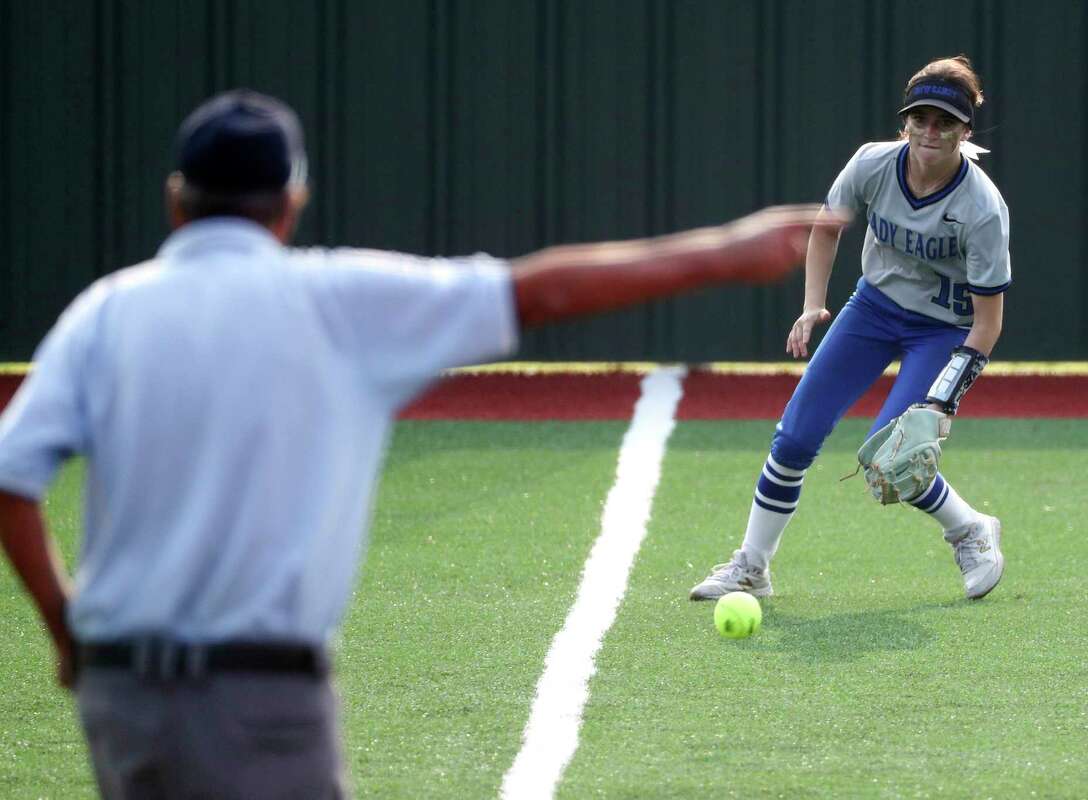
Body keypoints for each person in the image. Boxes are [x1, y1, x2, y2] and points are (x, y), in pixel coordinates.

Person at [0, 89, 833, 798]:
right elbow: (541, 292)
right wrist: (726, 253)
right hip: (260, 696)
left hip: (118, 696)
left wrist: (66, 628)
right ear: (292, 203)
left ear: (176, 200)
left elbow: (10, 476)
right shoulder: (336, 298)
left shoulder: (105, 311)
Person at [689, 55, 1009, 603]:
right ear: (904, 121)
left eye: (945, 122)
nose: (930, 131)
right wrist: (814, 304)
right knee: (793, 437)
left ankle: (971, 530)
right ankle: (752, 567)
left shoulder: (981, 207)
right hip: (873, 308)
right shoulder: (873, 164)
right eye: (921, 118)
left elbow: (988, 323)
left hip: (942, 329)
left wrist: (943, 401)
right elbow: (826, 229)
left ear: (964, 131)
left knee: (896, 453)